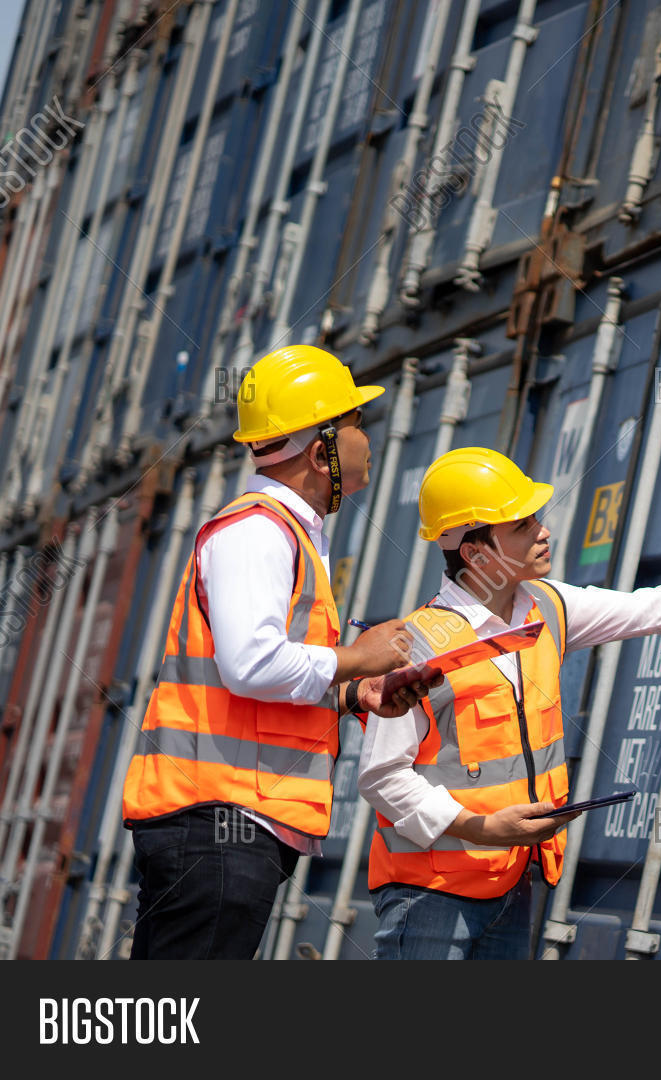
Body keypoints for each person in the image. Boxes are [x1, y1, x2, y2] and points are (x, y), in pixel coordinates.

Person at [358, 446, 661, 959]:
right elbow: (381, 776)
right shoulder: (415, 645)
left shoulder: (547, 606)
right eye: (523, 525)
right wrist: (480, 827)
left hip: (511, 884)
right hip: (429, 896)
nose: (544, 531)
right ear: (476, 554)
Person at [121, 345, 436, 959]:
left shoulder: (280, 534)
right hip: (217, 822)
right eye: (355, 424)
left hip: (221, 823)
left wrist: (351, 695)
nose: (367, 440)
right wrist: (359, 657)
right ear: (321, 454)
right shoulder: (259, 532)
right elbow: (252, 666)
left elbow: (264, 686)